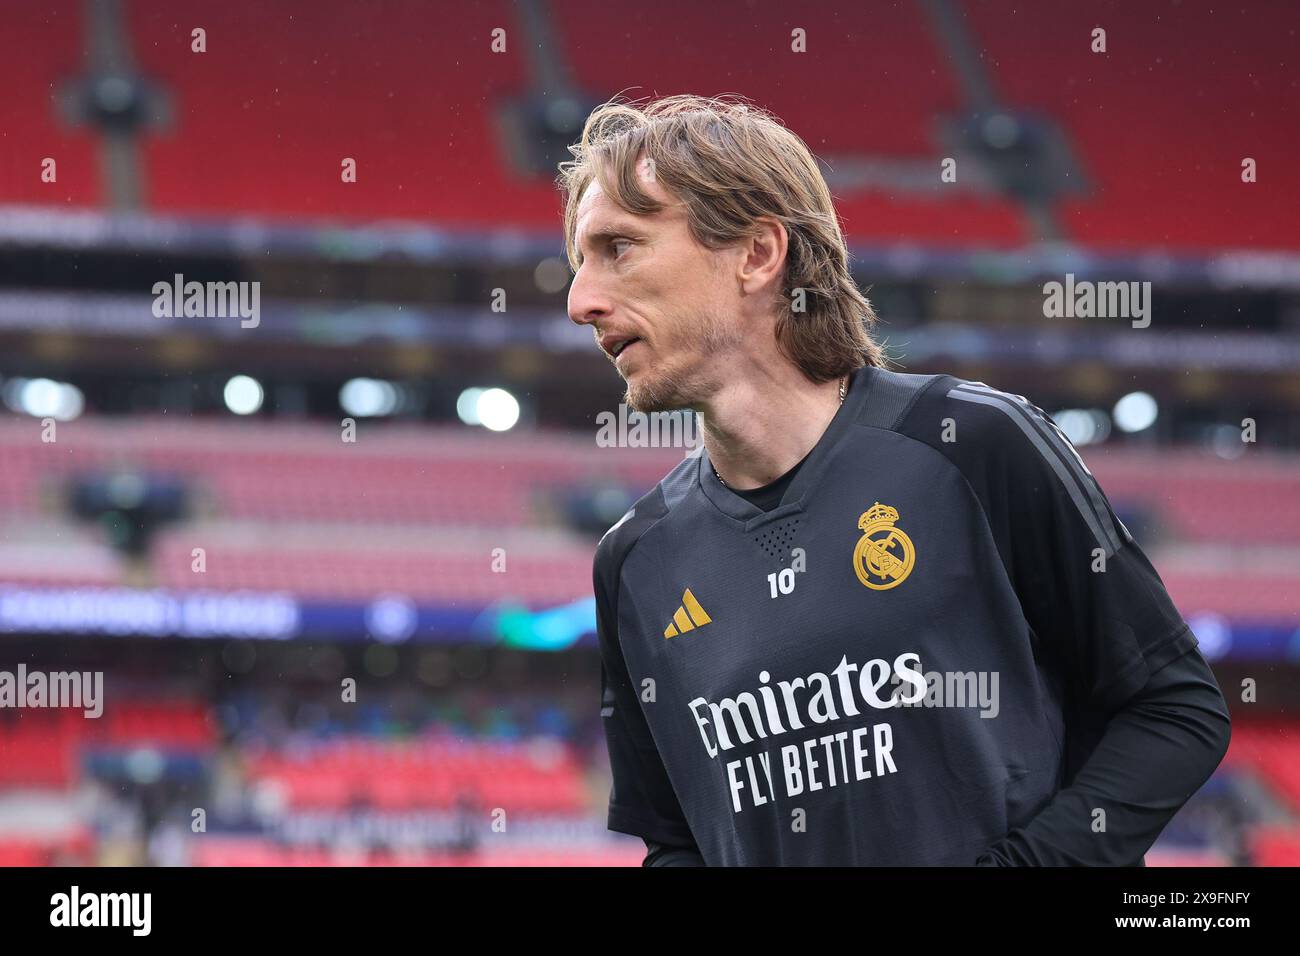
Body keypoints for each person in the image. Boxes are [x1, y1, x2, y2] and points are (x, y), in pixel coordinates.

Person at [558, 94, 1231, 865]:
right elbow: (674, 841)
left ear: (755, 254)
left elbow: (1173, 707)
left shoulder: (973, 447)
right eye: (581, 262)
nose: (581, 301)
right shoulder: (635, 559)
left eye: (619, 248)